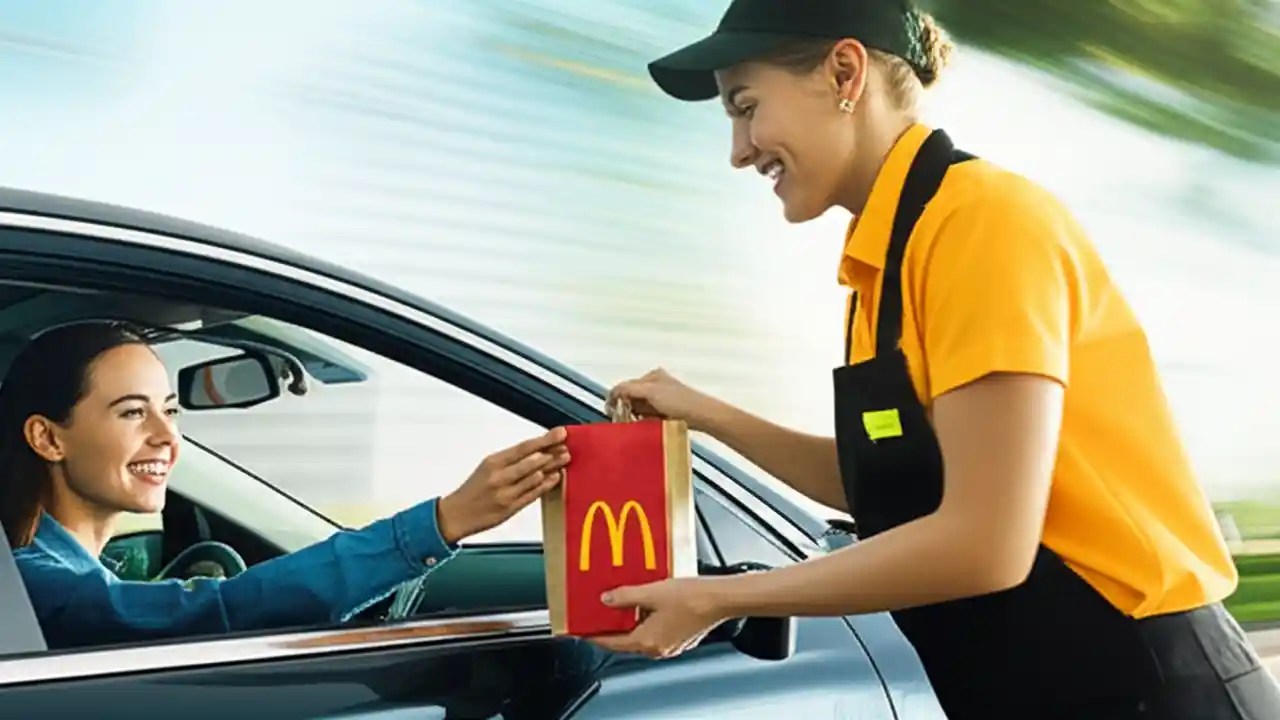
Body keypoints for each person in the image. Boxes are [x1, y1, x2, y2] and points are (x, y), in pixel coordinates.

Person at [593, 1, 1280, 718]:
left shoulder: (979, 221)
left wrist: (720, 597)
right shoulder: (882, 264)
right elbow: (895, 488)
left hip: (1149, 687)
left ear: (843, 72)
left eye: (746, 106)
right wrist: (708, 416)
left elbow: (985, 542)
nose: (738, 148)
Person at [1, 320, 569, 650]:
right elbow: (225, 610)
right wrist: (443, 522)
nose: (167, 438)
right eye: (132, 413)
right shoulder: (37, 585)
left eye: (171, 411)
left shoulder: (63, 573)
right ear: (48, 439)